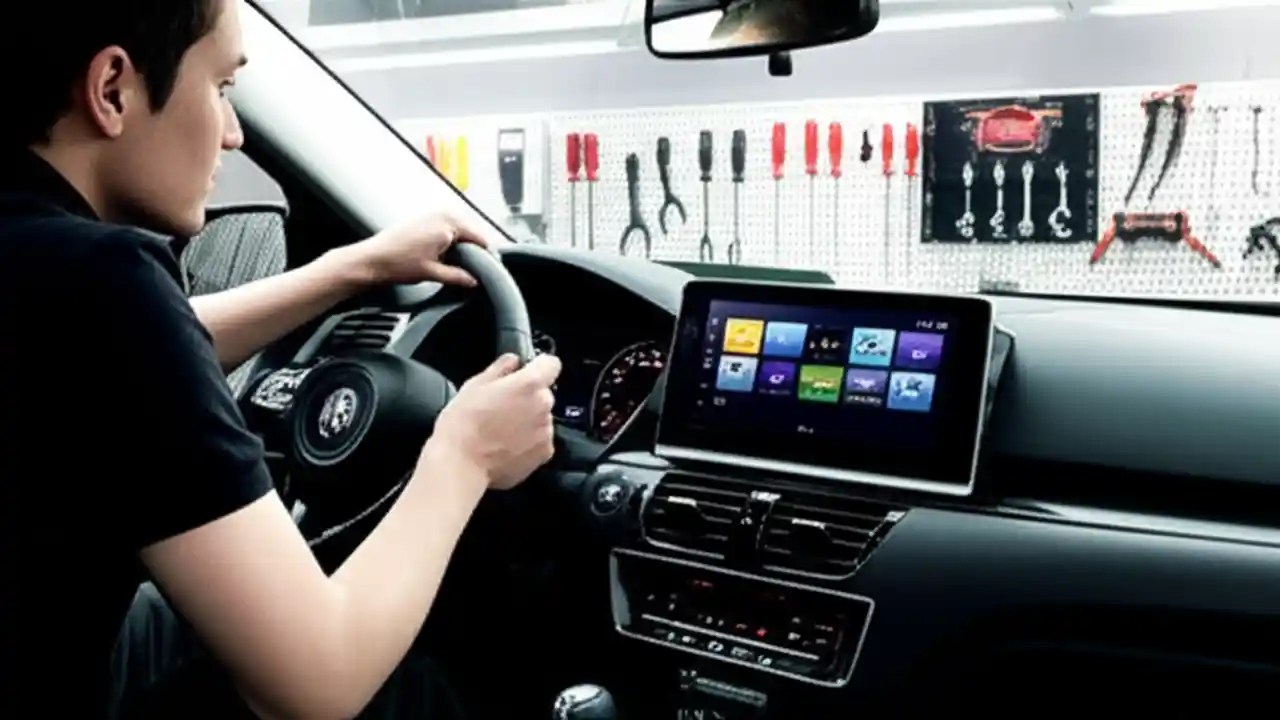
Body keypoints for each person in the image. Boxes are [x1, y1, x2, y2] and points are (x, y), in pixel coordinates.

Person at [0, 1, 561, 718]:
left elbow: (134, 357)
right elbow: (319, 684)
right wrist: (466, 456)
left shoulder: (42, 266)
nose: (233, 133)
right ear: (112, 89)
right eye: (222, 87)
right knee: (410, 690)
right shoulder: (104, 281)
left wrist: (350, 270)